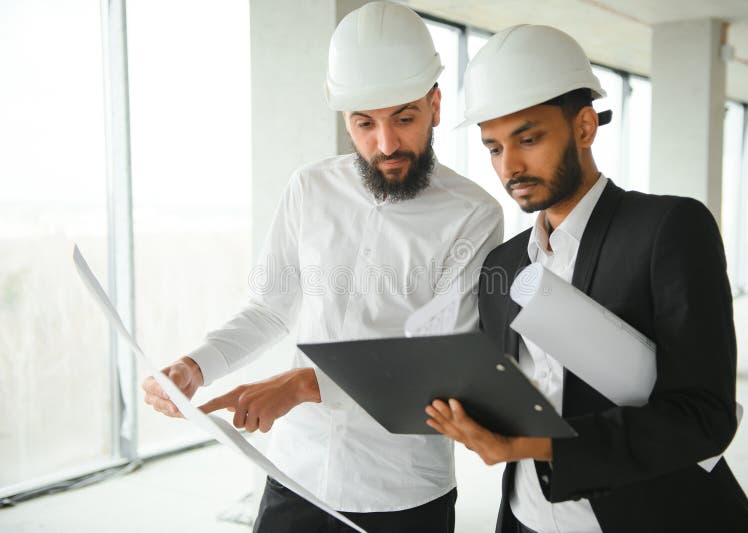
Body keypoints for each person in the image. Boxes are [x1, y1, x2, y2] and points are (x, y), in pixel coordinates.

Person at [141, 3, 502, 532]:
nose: (386, 145)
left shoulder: (473, 214)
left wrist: (307, 384)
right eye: (364, 123)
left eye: (404, 117)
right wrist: (195, 367)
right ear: (345, 118)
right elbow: (270, 309)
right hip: (296, 474)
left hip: (402, 492)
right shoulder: (309, 189)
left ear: (436, 104)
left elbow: (444, 362)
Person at [425, 25, 748, 533]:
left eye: (529, 138)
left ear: (584, 126)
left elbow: (704, 417)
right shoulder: (501, 265)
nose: (509, 166)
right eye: (494, 147)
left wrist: (532, 446)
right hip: (525, 519)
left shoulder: (669, 230)